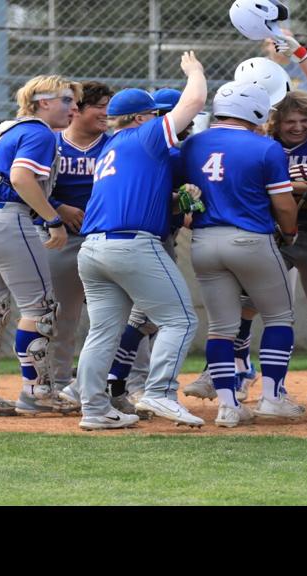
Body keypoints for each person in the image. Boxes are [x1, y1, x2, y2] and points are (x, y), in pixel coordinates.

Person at [74, 56, 210, 431]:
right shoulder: (144, 135)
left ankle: (94, 409)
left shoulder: (110, 146)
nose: (157, 118)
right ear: (138, 117)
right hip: (131, 245)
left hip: (93, 248)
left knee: (102, 332)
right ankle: (160, 392)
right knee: (181, 319)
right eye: (152, 113)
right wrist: (194, 72)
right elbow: (194, 102)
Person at [0, 73, 79, 417]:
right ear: (43, 103)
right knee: (41, 309)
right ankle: (37, 393)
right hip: (9, 220)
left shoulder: (5, 130)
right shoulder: (39, 132)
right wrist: (52, 218)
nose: (73, 107)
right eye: (66, 100)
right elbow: (21, 177)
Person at [182, 81, 298, 427]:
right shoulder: (265, 147)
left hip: (203, 239)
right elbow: (284, 204)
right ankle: (273, 398)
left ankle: (228, 405)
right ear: (257, 110)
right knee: (279, 317)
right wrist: (290, 233)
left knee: (220, 328)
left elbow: (183, 193)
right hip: (250, 239)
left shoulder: (192, 143)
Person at [42, 81, 112, 407]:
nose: (106, 113)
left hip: (104, 237)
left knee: (111, 315)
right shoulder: (52, 143)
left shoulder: (113, 145)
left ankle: (115, 382)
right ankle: (58, 383)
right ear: (77, 110)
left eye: (108, 106)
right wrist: (58, 207)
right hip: (63, 239)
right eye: (99, 106)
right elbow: (31, 183)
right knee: (63, 314)